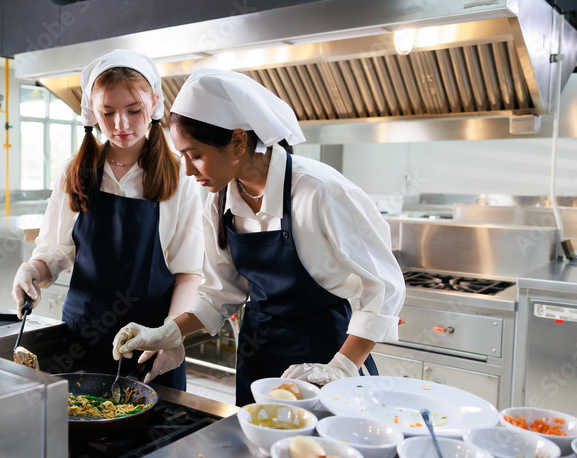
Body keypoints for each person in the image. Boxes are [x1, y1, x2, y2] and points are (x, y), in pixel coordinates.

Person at [112, 68, 405, 405]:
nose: (188, 170)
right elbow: (220, 294)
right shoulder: (220, 202)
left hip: (329, 357)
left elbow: (384, 287)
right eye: (183, 157)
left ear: (238, 142)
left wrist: (341, 366)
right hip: (259, 361)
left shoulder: (318, 191)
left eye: (196, 155)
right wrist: (169, 332)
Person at [11, 50, 204, 389]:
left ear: (155, 102)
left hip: (150, 345)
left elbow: (188, 273)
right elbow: (55, 253)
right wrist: (31, 272)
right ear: (92, 110)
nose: (121, 125)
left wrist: (170, 334)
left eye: (133, 110)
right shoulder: (78, 171)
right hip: (82, 341)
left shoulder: (179, 175)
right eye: (108, 112)